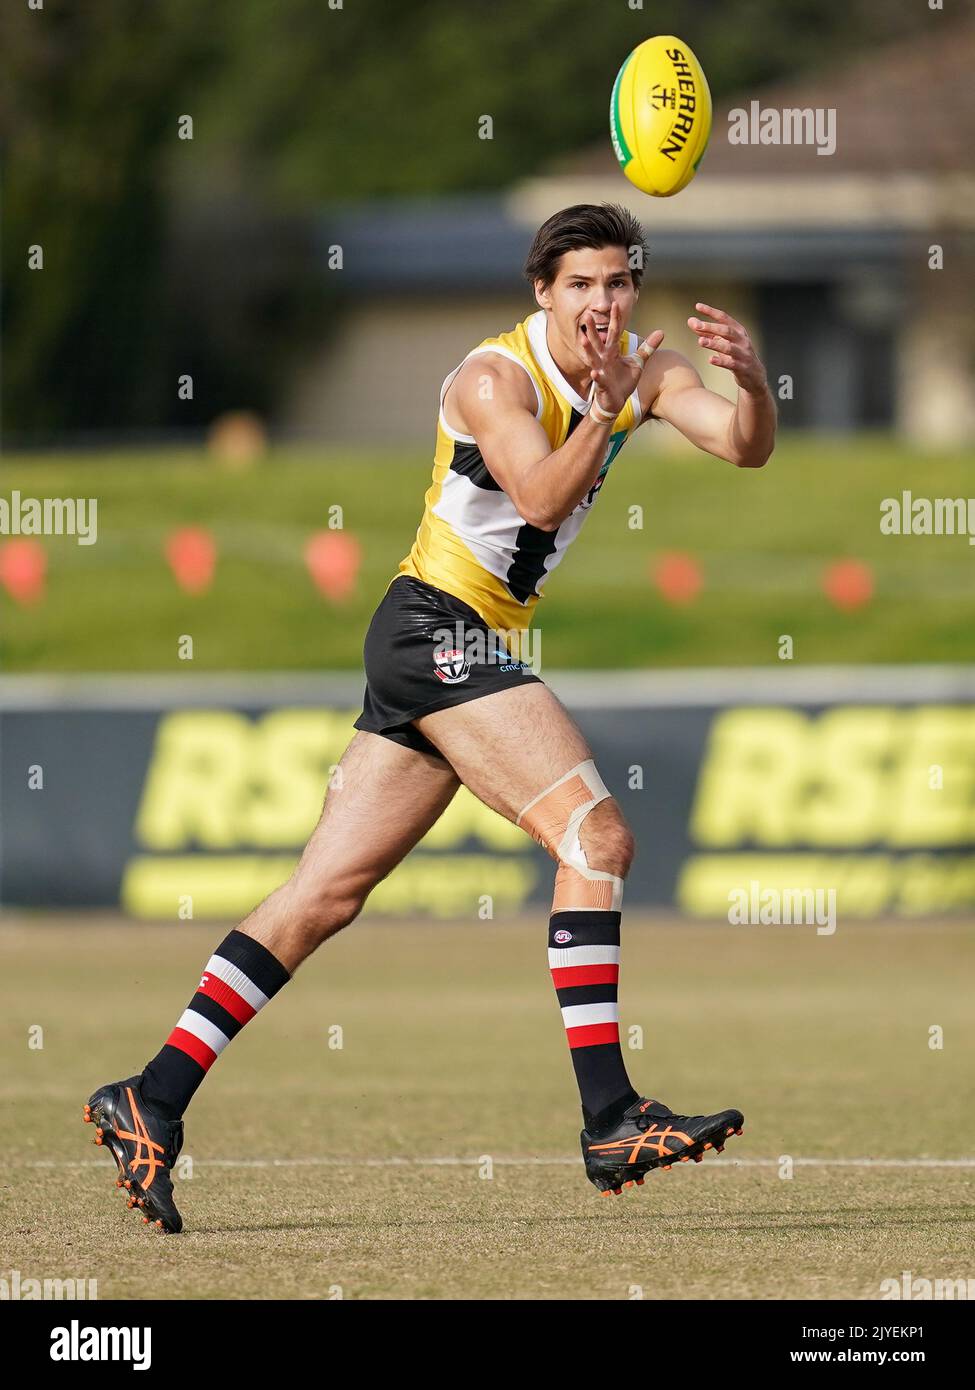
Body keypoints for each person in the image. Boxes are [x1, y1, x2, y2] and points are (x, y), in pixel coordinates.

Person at [84, 203, 775, 1231]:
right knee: (598, 836)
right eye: (581, 284)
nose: (603, 303)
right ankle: (610, 1115)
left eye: (619, 283)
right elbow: (539, 498)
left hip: (449, 645)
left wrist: (752, 380)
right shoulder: (494, 377)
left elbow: (744, 446)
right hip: (431, 629)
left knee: (323, 894)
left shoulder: (643, 369)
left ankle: (151, 1095)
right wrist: (603, 409)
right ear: (542, 291)